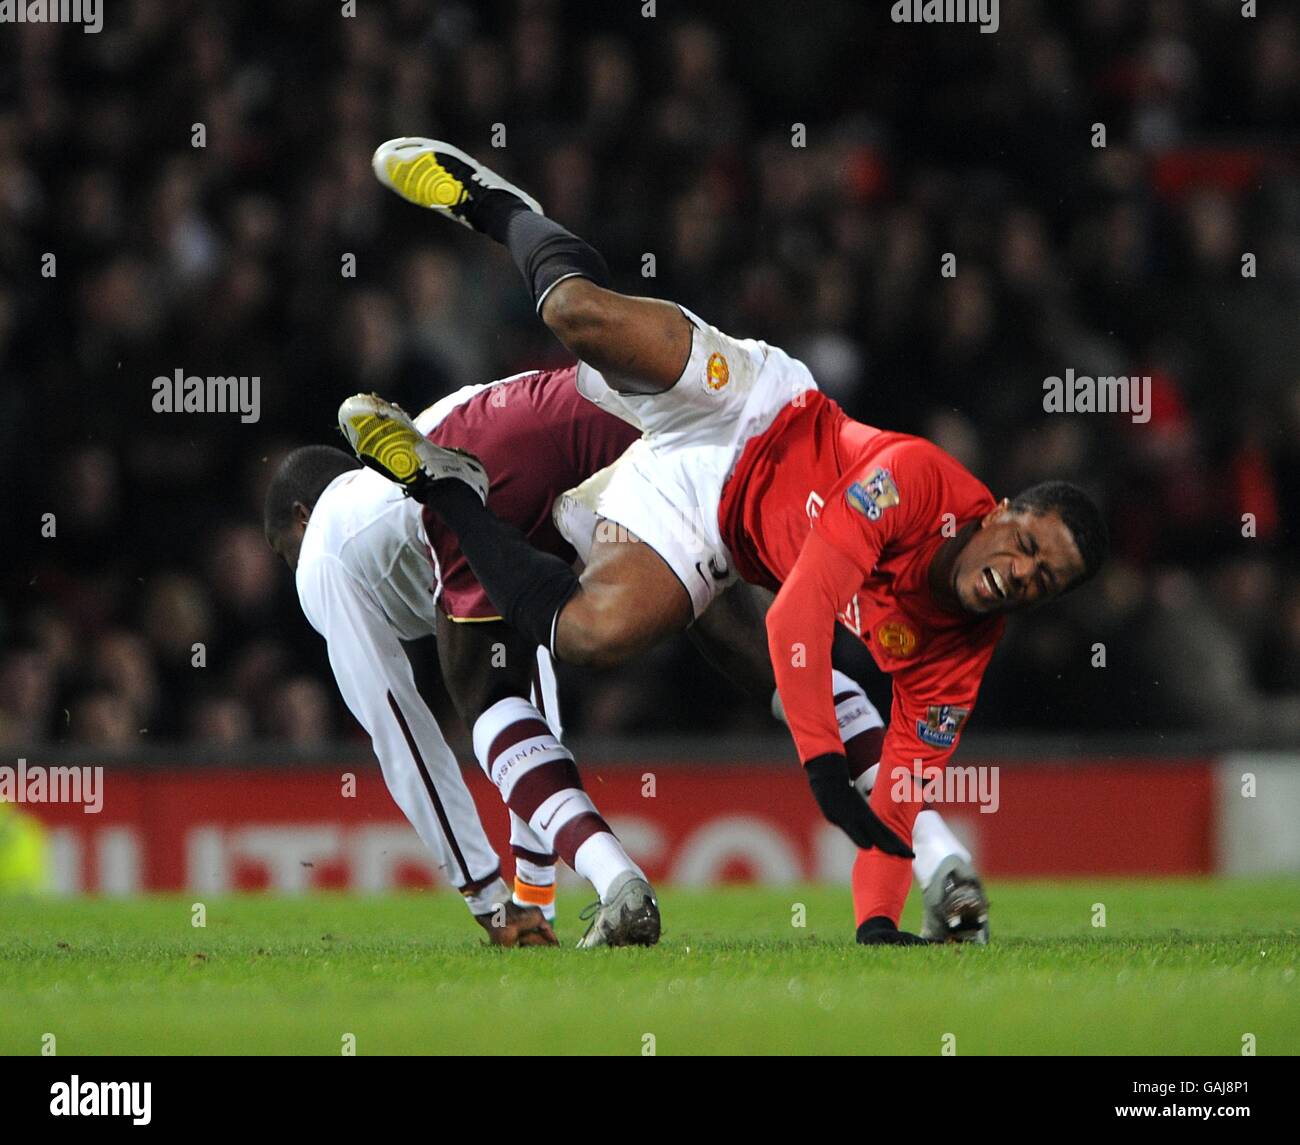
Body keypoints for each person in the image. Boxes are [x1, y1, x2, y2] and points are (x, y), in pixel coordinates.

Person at [340, 137, 1108, 944]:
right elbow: (799, 611)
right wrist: (821, 767)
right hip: (747, 407)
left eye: (1043, 583)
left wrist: (883, 919)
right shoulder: (917, 482)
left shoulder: (960, 652)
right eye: (1028, 547)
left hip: (711, 521)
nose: (1023, 576)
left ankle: (448, 491)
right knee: (577, 316)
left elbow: (904, 784)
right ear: (1002, 511)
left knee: (591, 637)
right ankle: (500, 208)